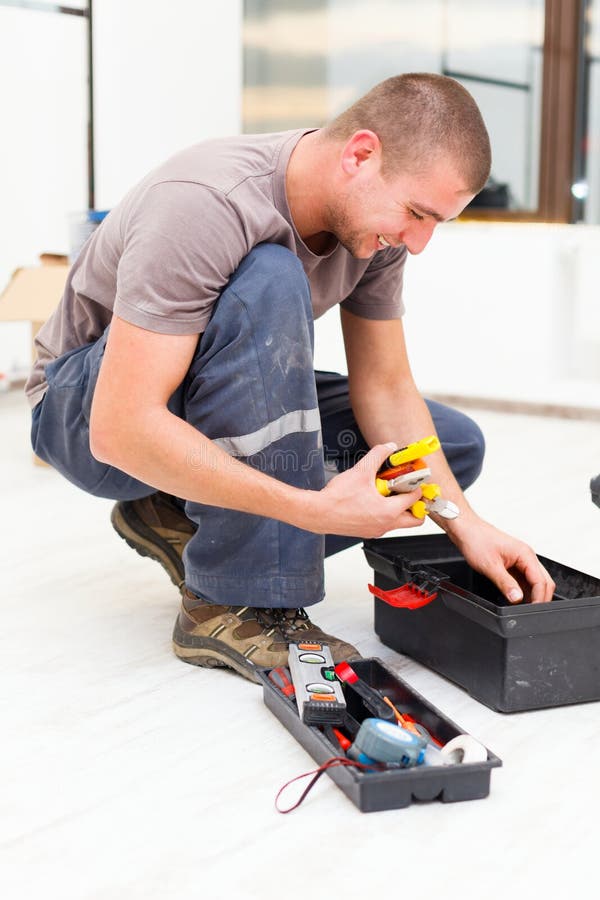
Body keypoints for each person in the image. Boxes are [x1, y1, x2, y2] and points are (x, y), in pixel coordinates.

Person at [26, 73, 555, 683]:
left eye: (437, 222)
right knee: (270, 276)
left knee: (443, 453)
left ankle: (179, 516)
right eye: (416, 213)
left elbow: (384, 389)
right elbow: (120, 427)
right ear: (361, 155)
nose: (418, 242)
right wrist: (313, 510)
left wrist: (467, 525)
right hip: (85, 414)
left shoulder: (375, 237)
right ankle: (233, 604)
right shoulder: (210, 200)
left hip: (173, 410)